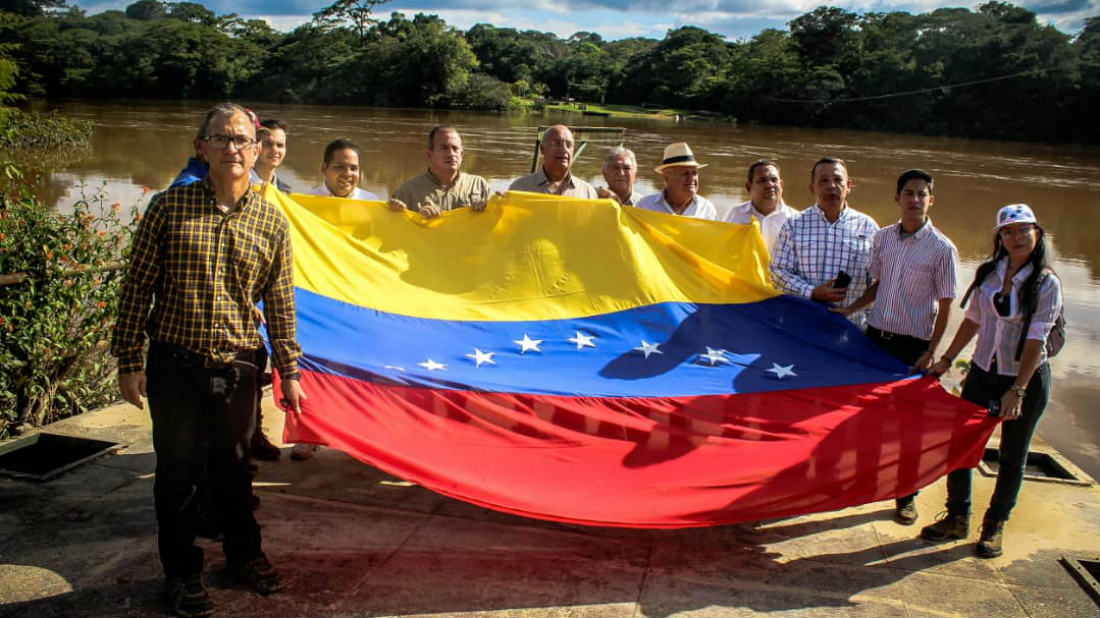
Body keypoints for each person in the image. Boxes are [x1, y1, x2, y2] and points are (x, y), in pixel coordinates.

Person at [111, 102, 305, 617]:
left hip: (240, 367)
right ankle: (181, 573)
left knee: (236, 469)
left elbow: (281, 304)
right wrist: (129, 359)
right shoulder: (167, 208)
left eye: (242, 139)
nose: (232, 148)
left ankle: (244, 556)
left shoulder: (272, 222)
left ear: (257, 149)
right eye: (220, 138)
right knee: (177, 473)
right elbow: (137, 290)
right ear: (201, 148)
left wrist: (289, 372)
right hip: (174, 364)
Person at [920, 204, 1061, 559]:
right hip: (983, 372)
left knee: (1013, 456)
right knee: (961, 446)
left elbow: (1036, 341)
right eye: (1008, 232)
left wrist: (1018, 389)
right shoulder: (989, 272)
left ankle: (994, 526)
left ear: (1037, 233)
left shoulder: (1046, 283)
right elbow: (973, 321)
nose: (1016, 237)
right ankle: (957, 516)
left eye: (1022, 230)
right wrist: (948, 359)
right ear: (1000, 237)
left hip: (1024, 379)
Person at [832, 169, 958, 525]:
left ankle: (906, 496)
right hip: (876, 339)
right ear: (897, 198)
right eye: (909, 193)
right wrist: (849, 310)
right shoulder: (883, 238)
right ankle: (859, 481)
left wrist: (933, 351)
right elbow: (877, 285)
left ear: (931, 200)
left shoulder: (943, 248)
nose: (915, 200)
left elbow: (947, 305)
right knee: (865, 416)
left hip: (913, 346)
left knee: (909, 426)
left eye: (922, 194)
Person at [770, 157, 879, 326]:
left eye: (838, 180)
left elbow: (879, 281)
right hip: (803, 323)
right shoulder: (794, 224)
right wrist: (812, 292)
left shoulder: (868, 227)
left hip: (852, 327)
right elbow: (777, 272)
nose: (831, 186)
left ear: (848, 186)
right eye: (823, 181)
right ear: (812, 188)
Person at [388, 125, 490, 218]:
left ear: (462, 155)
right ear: (429, 154)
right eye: (443, 148)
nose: (451, 154)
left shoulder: (478, 185)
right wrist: (417, 219)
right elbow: (389, 228)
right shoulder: (407, 192)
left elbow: (496, 224)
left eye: (455, 149)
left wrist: (493, 206)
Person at [722, 159, 798, 253]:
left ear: (781, 185)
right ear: (749, 187)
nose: (770, 185)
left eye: (774, 180)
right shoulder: (736, 214)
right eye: (762, 180)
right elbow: (722, 246)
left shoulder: (795, 220)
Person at [509, 125, 599, 198]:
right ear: (542, 149)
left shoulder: (588, 193)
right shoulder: (519, 189)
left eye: (569, 145)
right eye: (557, 144)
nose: (564, 150)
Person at [634, 142, 718, 220]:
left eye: (694, 173)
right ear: (666, 177)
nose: (691, 178)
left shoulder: (707, 209)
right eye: (685, 173)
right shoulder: (645, 206)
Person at [308, 139, 379, 200]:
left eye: (353, 168)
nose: (347, 174)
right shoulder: (305, 204)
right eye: (340, 167)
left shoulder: (371, 201)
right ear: (324, 168)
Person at [251, 119, 291, 192]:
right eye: (268, 144)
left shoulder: (286, 192)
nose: (275, 150)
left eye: (280, 145)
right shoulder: (237, 184)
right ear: (256, 146)